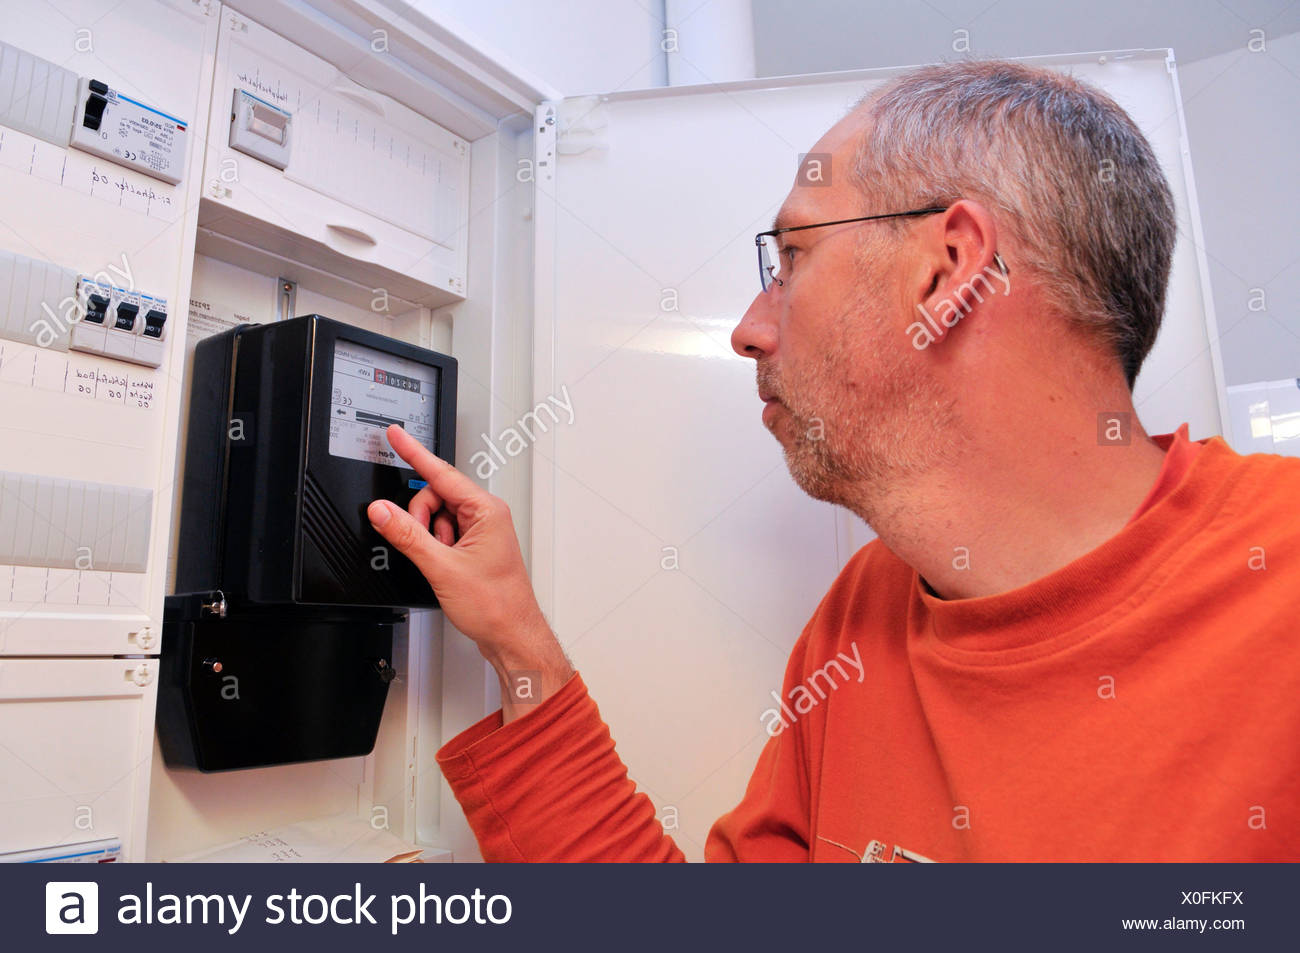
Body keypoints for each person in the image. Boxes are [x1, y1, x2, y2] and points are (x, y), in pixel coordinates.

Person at [365, 60, 1300, 862]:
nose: (748, 329)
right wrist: (516, 642)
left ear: (949, 269)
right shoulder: (864, 618)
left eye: (794, 257)